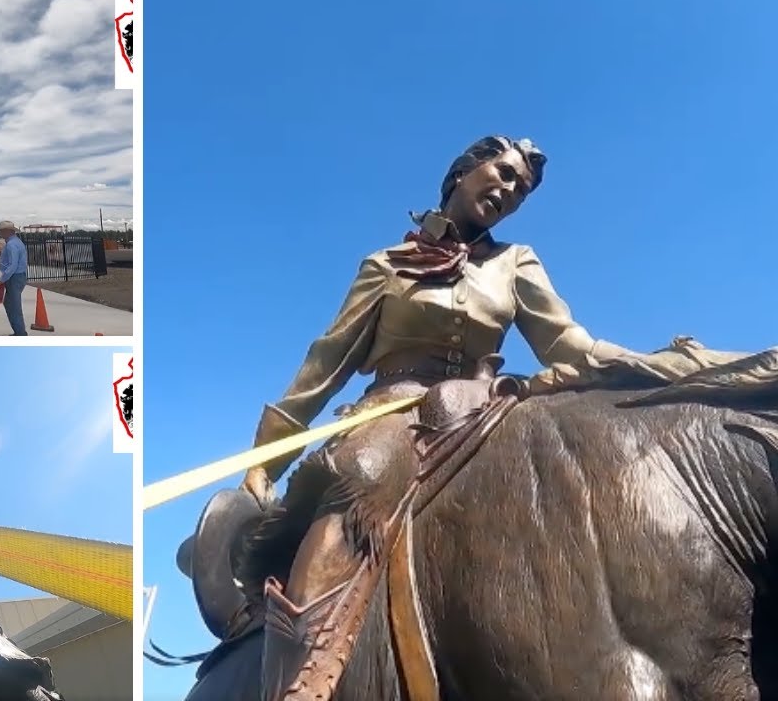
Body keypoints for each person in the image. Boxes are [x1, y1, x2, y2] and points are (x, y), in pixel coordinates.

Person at [232, 136, 639, 693]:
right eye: (502, 173)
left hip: (480, 408)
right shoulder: (386, 265)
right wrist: (267, 460)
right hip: (393, 410)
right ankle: (298, 681)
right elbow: (327, 360)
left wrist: (656, 365)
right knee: (364, 473)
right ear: (461, 174)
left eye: (520, 189)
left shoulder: (515, 262)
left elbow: (569, 344)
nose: (510, 190)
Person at [0, 220, 28, 336]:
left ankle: (20, 333)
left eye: (2, 231)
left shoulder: (12, 245)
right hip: (17, 277)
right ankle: (18, 331)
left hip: (14, 277)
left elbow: (13, 265)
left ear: (8, 231)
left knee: (14, 306)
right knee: (10, 304)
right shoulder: (15, 242)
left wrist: (1, 279)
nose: (1, 233)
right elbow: (9, 262)